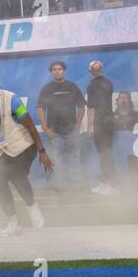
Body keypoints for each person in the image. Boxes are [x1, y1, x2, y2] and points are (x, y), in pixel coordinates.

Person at [0, 76, 52, 236]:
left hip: (23, 145)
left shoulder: (12, 100)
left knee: (16, 174)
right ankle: (14, 222)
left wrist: (42, 151)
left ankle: (33, 208)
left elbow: (30, 125)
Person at [36, 61, 85, 190]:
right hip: (54, 130)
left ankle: (77, 184)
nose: (57, 71)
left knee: (74, 157)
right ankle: (55, 184)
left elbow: (81, 106)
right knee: (54, 158)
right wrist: (45, 128)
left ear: (64, 71)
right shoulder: (47, 88)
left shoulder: (72, 87)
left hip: (71, 130)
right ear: (51, 72)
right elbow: (40, 108)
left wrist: (78, 124)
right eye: (54, 69)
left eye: (60, 69)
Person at [83, 61, 119, 196]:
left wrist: (90, 127)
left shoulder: (91, 86)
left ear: (90, 72)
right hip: (109, 122)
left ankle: (112, 185)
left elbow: (91, 108)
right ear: (101, 71)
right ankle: (107, 183)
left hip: (101, 124)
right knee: (106, 154)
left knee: (105, 155)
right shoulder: (108, 83)